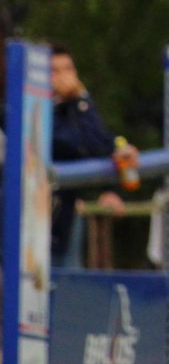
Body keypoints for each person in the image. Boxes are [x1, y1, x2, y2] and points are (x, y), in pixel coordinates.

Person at [50, 44, 132, 268]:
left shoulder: (76, 107)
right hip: (32, 224)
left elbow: (102, 144)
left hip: (65, 222)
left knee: (68, 293)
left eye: (68, 69)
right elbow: (73, 143)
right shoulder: (32, 110)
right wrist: (80, 102)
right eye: (55, 71)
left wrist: (82, 100)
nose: (64, 77)